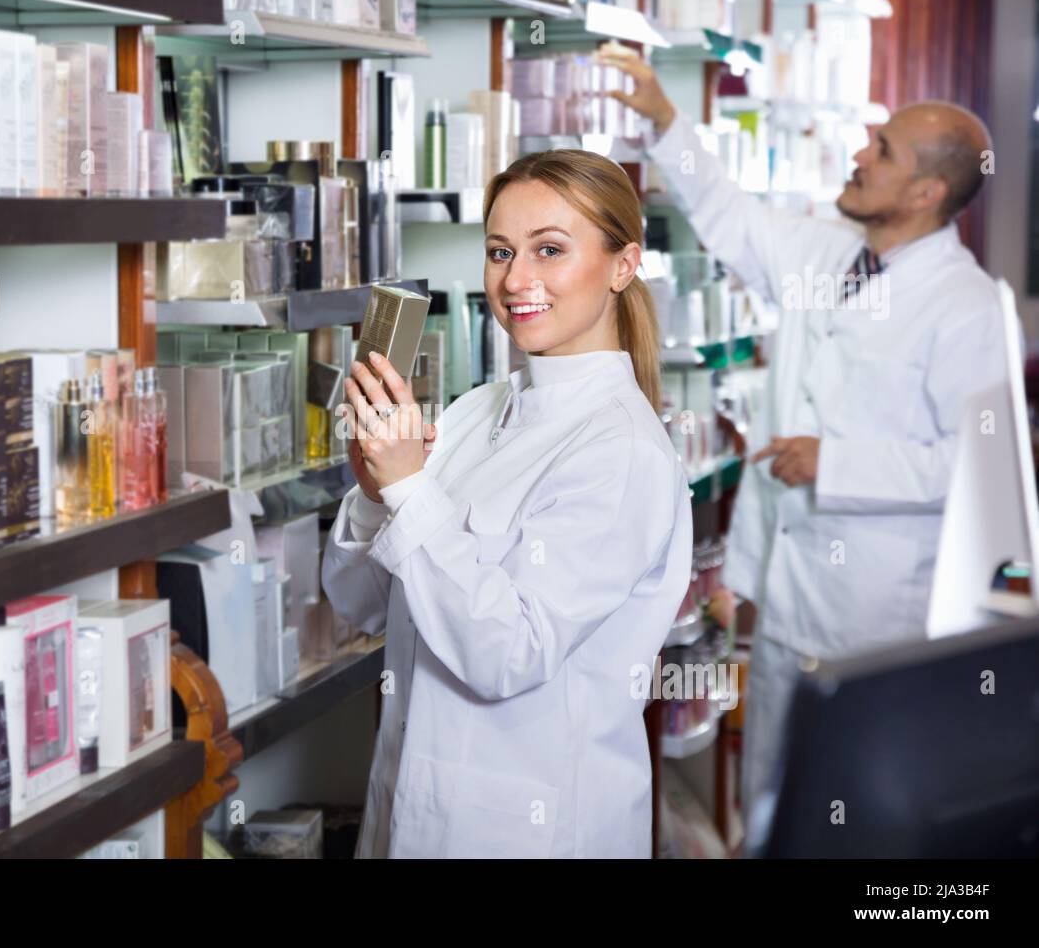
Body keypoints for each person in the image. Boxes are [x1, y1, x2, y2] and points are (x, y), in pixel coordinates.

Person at [597, 44, 1008, 851]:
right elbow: (728, 215)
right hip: (790, 593)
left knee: (859, 811)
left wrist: (835, 462)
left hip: (878, 612)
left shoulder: (968, 307)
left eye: (883, 150)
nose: (860, 154)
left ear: (926, 192)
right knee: (773, 799)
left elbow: (973, 462)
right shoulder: (828, 254)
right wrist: (664, 119)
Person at [320, 148, 694, 858]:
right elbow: (363, 608)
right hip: (410, 807)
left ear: (623, 265)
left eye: (549, 250)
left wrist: (410, 489)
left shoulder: (623, 451)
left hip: (534, 827)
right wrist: (376, 495)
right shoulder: (476, 411)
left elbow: (508, 655)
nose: (516, 280)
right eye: (500, 252)